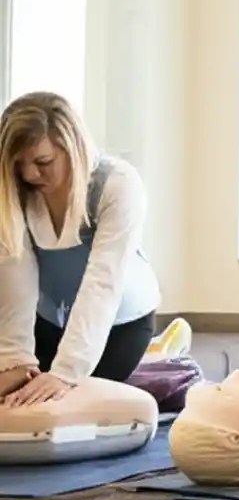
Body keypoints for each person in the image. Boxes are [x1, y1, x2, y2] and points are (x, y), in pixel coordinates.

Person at [0, 92, 160, 407]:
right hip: (48, 320)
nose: (30, 174)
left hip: (121, 321)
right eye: (20, 164)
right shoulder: (16, 190)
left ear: (71, 147)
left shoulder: (118, 185)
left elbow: (102, 283)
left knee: (74, 402)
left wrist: (66, 371)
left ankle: (165, 362)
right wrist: (14, 359)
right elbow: (14, 276)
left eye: (43, 162)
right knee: (23, 399)